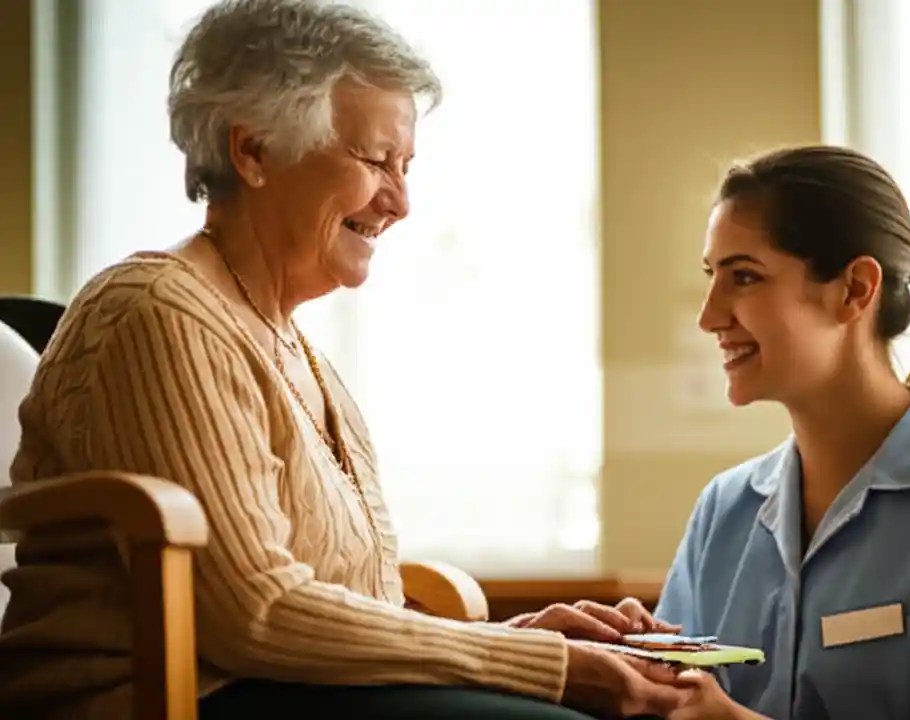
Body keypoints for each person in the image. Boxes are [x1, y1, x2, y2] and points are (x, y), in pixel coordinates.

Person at [0, 1, 684, 718]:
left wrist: (515, 640)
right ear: (253, 151)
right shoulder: (157, 311)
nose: (401, 201)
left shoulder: (299, 354)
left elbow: (341, 619)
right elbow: (256, 614)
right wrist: (541, 666)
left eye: (406, 166)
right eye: (376, 160)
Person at [655, 145, 910, 720]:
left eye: (744, 277)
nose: (709, 316)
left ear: (855, 289)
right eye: (713, 276)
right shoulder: (721, 511)